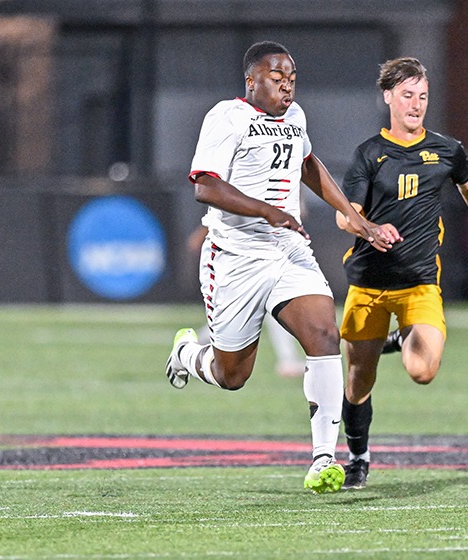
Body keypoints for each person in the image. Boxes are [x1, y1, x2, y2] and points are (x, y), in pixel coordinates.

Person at [164, 41, 400, 494]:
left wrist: (358, 219)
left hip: (288, 250)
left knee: (324, 334)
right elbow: (206, 188)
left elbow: (309, 165)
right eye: (277, 77)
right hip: (235, 256)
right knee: (232, 375)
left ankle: (323, 458)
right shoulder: (225, 117)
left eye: (291, 77)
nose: (287, 85)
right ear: (251, 80)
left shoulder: (295, 118)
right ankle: (188, 355)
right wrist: (265, 210)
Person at [335, 57, 468, 489]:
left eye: (423, 96)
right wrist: (370, 229)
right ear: (388, 96)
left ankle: (399, 338)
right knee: (357, 380)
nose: (416, 104)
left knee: (423, 371)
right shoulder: (369, 154)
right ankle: (357, 458)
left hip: (419, 283)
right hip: (369, 284)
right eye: (407, 95)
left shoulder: (447, 149)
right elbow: (343, 217)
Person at [187, 224, 305, 378]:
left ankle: (288, 359)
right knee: (238, 311)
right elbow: (222, 209)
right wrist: (202, 232)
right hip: (242, 251)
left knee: (262, 304)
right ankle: (191, 347)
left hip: (265, 249)